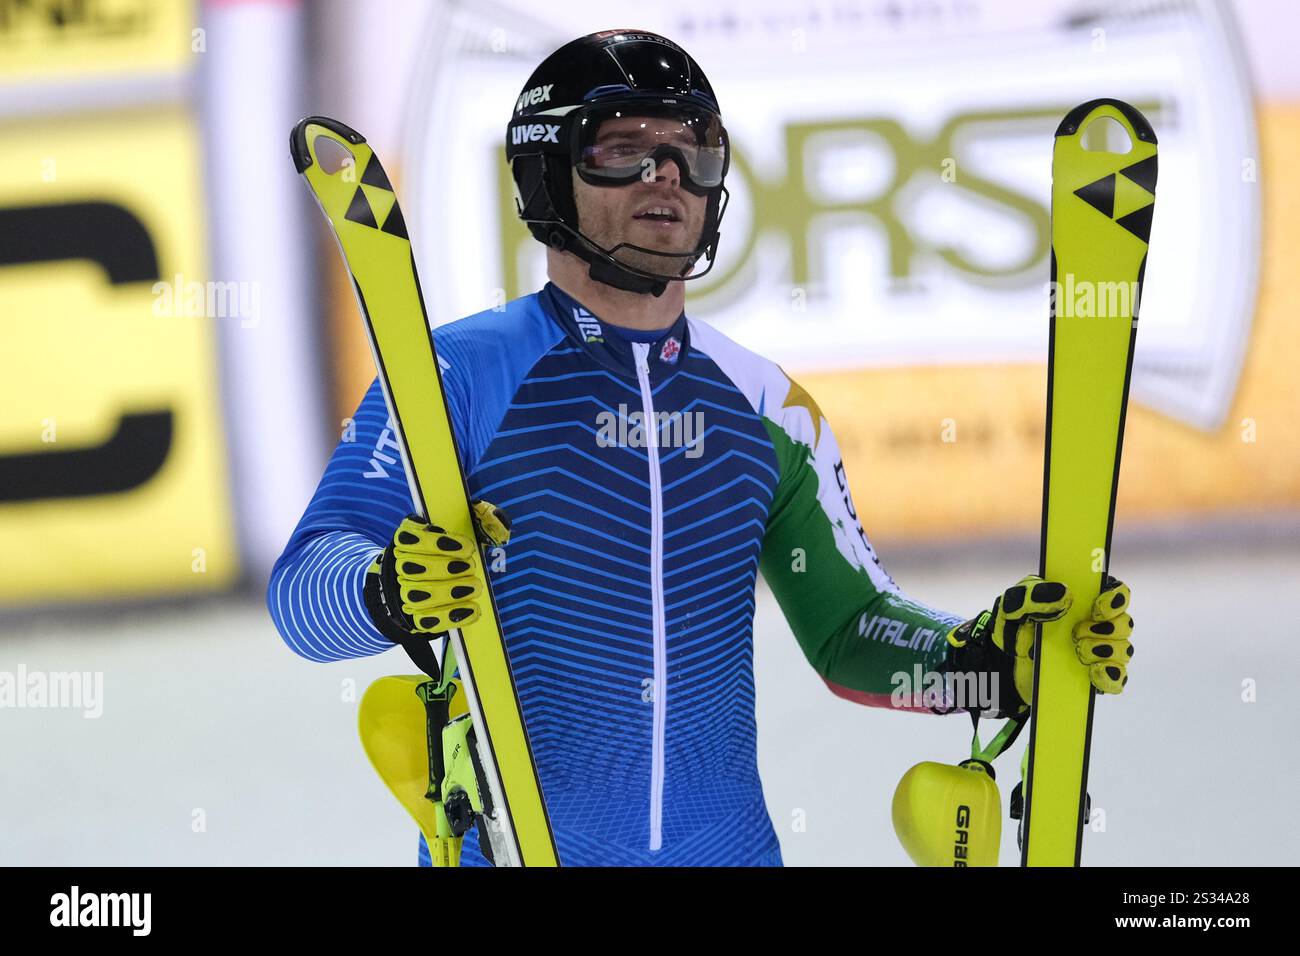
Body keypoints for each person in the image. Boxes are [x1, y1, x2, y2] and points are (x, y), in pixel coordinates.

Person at [268, 29, 1135, 866]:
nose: (667, 176)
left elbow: (849, 631)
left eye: (694, 149)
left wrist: (981, 662)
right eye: (623, 148)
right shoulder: (456, 376)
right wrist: (385, 590)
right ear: (547, 174)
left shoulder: (767, 407)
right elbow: (305, 590)